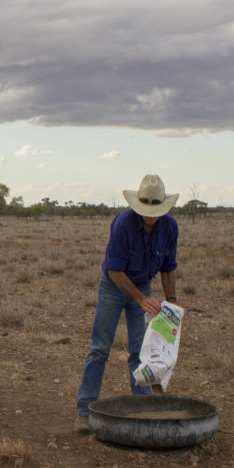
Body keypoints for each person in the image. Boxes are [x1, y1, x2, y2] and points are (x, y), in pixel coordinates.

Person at [74, 174, 179, 434]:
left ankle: (142, 410)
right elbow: (114, 270)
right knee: (100, 348)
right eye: (146, 211)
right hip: (114, 287)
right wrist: (141, 299)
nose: (150, 217)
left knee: (140, 353)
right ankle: (85, 411)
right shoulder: (123, 223)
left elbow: (168, 267)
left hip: (143, 286)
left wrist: (172, 302)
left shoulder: (170, 227)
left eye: (155, 212)